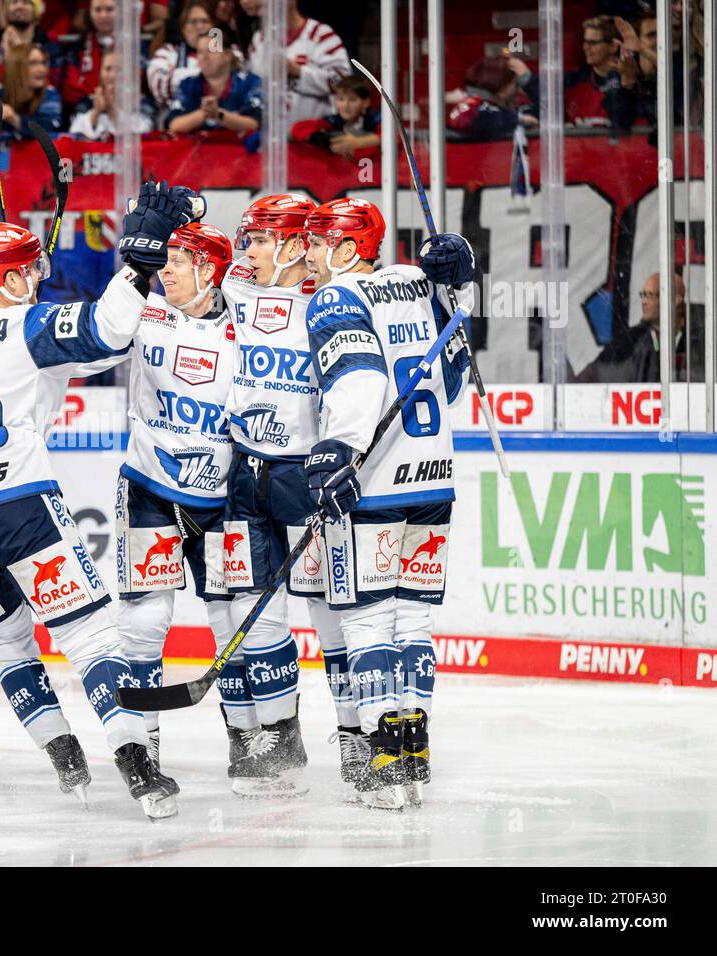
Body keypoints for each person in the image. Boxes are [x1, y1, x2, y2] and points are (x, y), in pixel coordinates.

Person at [0, 182, 199, 819]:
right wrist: (140, 262)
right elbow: (108, 329)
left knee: (11, 647)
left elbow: (95, 349)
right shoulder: (29, 323)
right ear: (10, 277)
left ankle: (65, 759)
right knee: (94, 639)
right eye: (31, 270)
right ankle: (139, 769)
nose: (39, 279)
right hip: (17, 506)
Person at [301, 199, 473, 810]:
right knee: (414, 620)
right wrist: (456, 286)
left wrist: (338, 452)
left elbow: (360, 380)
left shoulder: (337, 298)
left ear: (349, 249)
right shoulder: (412, 282)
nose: (308, 253)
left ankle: (380, 757)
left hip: (373, 484)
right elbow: (452, 378)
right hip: (433, 480)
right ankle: (413, 746)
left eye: (318, 242)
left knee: (368, 619)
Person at [216, 194, 339, 798]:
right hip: (245, 473)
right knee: (251, 605)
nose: (248, 251)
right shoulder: (238, 285)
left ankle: (358, 738)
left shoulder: (332, 303)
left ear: (294, 246)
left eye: (261, 240)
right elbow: (187, 273)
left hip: (307, 476)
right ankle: (280, 734)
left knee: (331, 609)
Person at [112, 223, 237, 808]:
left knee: (233, 620)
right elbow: (94, 339)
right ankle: (144, 746)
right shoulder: (146, 312)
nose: (167, 271)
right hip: (150, 490)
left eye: (179, 261)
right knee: (143, 623)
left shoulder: (247, 330)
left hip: (222, 496)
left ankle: (248, 739)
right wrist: (130, 270)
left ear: (210, 270)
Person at [508, 15, 639, 131]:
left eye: (593, 43)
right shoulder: (575, 80)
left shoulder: (630, 81)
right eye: (585, 42)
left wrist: (626, 84)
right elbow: (548, 101)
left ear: (613, 46)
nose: (586, 47)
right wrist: (527, 78)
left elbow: (622, 123)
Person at [243, 0, 350, 122]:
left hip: (313, 135)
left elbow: (344, 83)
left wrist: (298, 71)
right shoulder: (258, 40)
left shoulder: (320, 34)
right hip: (269, 135)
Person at [576, 271, 693, 383]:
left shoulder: (698, 339)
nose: (644, 301)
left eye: (651, 295)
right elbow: (593, 375)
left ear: (676, 300)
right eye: (643, 295)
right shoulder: (632, 340)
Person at [165, 32, 261, 136]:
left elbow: (255, 123)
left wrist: (218, 114)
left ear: (228, 55)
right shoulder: (187, 84)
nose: (204, 57)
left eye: (211, 50)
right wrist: (204, 113)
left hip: (240, 149)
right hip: (199, 149)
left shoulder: (250, 82)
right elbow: (173, 125)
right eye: (200, 52)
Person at [145, 0, 217, 114]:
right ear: (183, 29)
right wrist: (211, 77)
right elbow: (160, 88)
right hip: (178, 118)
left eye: (205, 21)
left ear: (214, 27)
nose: (199, 27)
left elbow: (234, 86)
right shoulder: (166, 52)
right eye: (193, 22)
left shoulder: (228, 51)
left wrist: (179, 76)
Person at [445, 55, 537, 142]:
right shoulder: (471, 109)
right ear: (502, 90)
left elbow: (545, 112)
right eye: (516, 85)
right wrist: (516, 119)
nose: (520, 90)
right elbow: (465, 119)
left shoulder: (508, 110)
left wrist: (529, 81)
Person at [290, 73, 381, 160]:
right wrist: (315, 136)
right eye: (341, 99)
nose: (345, 105)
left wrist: (358, 142)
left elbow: (392, 136)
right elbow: (297, 128)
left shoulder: (375, 117)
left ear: (366, 102)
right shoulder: (335, 120)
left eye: (352, 100)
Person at [68, 47, 152, 140]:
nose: (113, 75)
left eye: (119, 69)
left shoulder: (141, 102)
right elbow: (73, 135)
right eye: (108, 69)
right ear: (100, 73)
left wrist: (114, 113)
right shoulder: (86, 102)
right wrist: (96, 113)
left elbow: (146, 132)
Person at [0, 42, 63, 137]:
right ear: (16, 67)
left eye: (43, 63)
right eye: (33, 63)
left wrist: (14, 119)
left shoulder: (50, 94)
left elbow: (47, 128)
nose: (42, 69)